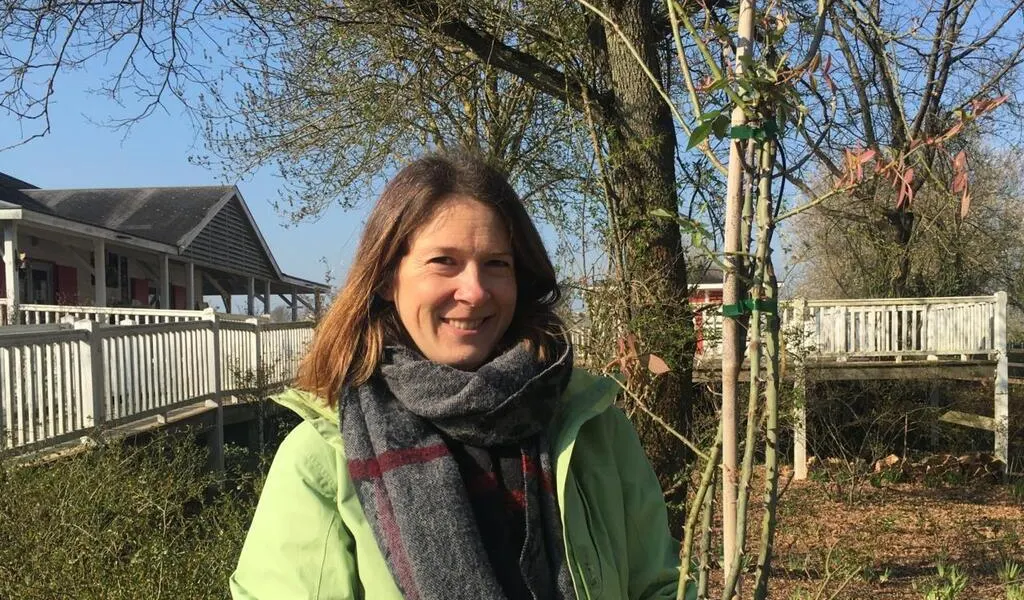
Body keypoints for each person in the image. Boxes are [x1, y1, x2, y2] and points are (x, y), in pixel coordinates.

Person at [230, 152, 681, 600]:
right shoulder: (325, 455)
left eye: (496, 264)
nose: (475, 290)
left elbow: (657, 587)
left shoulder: (593, 429)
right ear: (387, 278)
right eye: (444, 261)